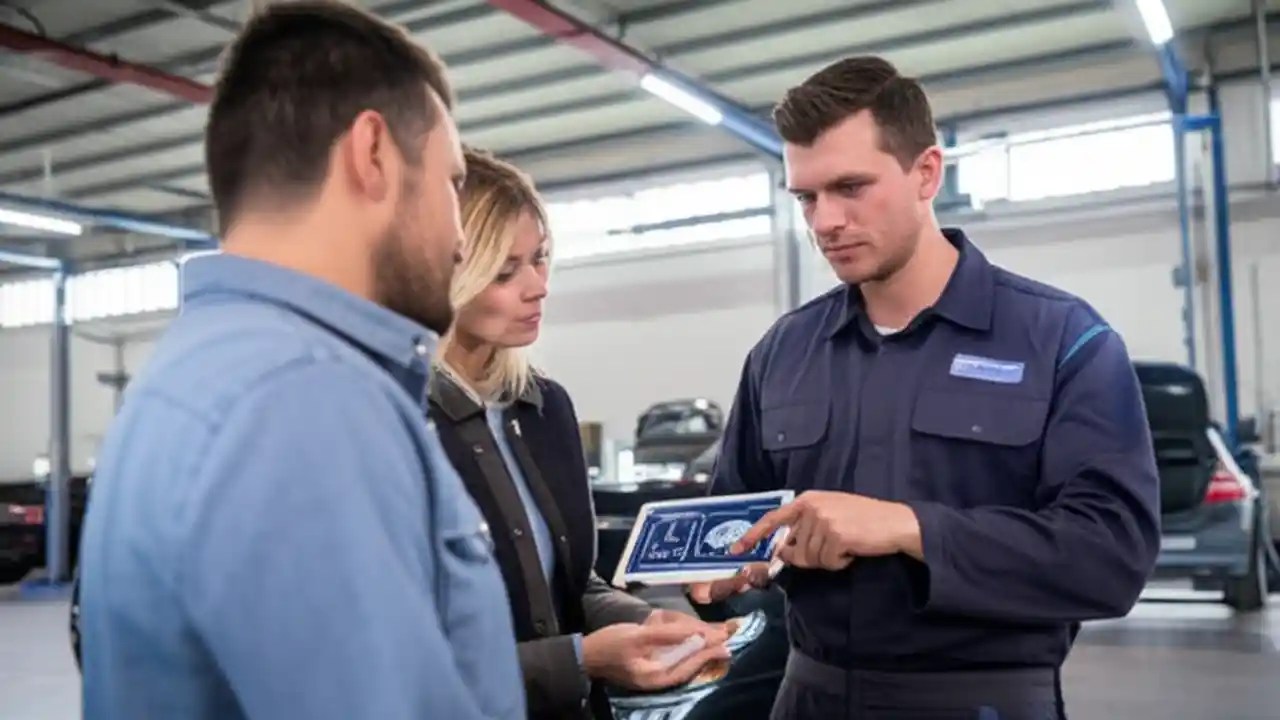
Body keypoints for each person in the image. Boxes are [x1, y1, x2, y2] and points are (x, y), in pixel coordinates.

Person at [75, 4, 524, 719]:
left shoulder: (199, 370)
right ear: (372, 154)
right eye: (451, 181)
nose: (462, 239)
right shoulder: (303, 400)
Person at [688, 56, 1161, 720]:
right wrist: (723, 574)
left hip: (979, 700)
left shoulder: (1062, 340)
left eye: (851, 187)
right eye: (806, 196)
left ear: (926, 173)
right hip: (806, 697)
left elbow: (1109, 558)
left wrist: (908, 528)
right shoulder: (782, 353)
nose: (825, 221)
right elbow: (732, 530)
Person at [427, 146, 732, 720]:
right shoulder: (397, 430)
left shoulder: (545, 408)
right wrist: (581, 660)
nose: (538, 285)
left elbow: (568, 588)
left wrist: (645, 622)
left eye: (541, 258)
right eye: (505, 270)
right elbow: (405, 657)